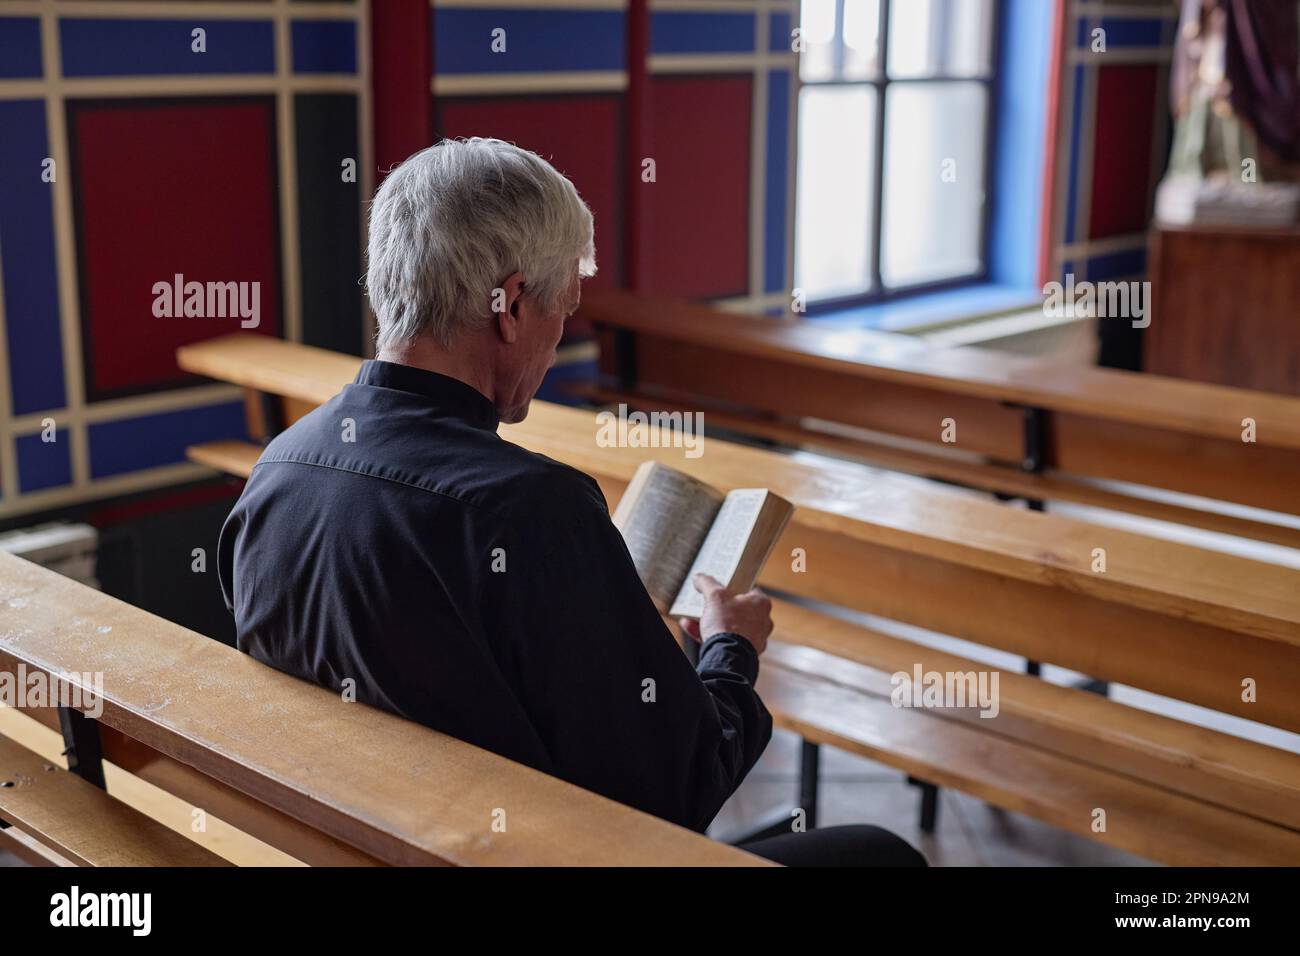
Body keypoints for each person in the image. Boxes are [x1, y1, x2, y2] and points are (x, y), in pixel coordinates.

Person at [217, 138, 924, 867]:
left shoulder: (279, 470)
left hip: (341, 846)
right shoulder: (531, 509)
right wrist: (729, 649)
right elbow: (677, 795)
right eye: (564, 309)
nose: (559, 343)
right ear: (513, 306)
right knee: (879, 855)